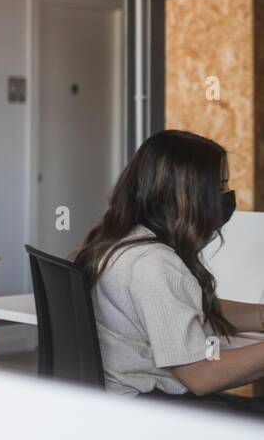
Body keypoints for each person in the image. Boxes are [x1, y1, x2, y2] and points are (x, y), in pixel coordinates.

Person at [76, 129, 264, 404]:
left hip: (120, 405)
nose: (227, 196)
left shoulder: (122, 242)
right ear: (189, 196)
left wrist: (260, 315)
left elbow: (186, 310)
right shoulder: (154, 266)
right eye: (220, 187)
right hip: (153, 413)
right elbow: (202, 376)